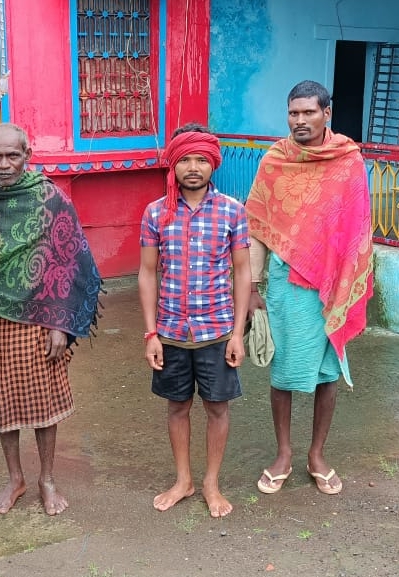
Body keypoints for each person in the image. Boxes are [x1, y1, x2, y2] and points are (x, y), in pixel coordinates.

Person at [0, 123, 101, 516]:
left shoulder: (49, 198)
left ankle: (46, 478)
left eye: (13, 155)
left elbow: (70, 261)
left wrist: (62, 324)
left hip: (42, 319)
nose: (5, 163)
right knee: (4, 402)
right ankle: (16, 478)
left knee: (44, 403)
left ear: (27, 154)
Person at [246, 80, 373, 496]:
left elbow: (356, 226)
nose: (300, 121)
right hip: (286, 283)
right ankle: (283, 452)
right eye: (293, 113)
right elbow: (258, 228)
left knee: (327, 371)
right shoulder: (275, 161)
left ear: (326, 114)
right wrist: (250, 287)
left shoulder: (348, 161)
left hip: (331, 283)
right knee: (282, 372)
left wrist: (351, 280)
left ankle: (317, 454)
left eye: (308, 112)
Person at [138, 123, 251, 518]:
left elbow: (242, 273)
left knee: (218, 408)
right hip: (170, 332)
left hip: (217, 331)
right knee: (177, 407)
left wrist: (238, 334)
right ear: (172, 164)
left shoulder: (233, 211)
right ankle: (184, 479)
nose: (192, 167)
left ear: (212, 164)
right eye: (184, 158)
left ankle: (210, 482)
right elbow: (148, 273)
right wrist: (151, 333)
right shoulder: (156, 212)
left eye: (201, 159)